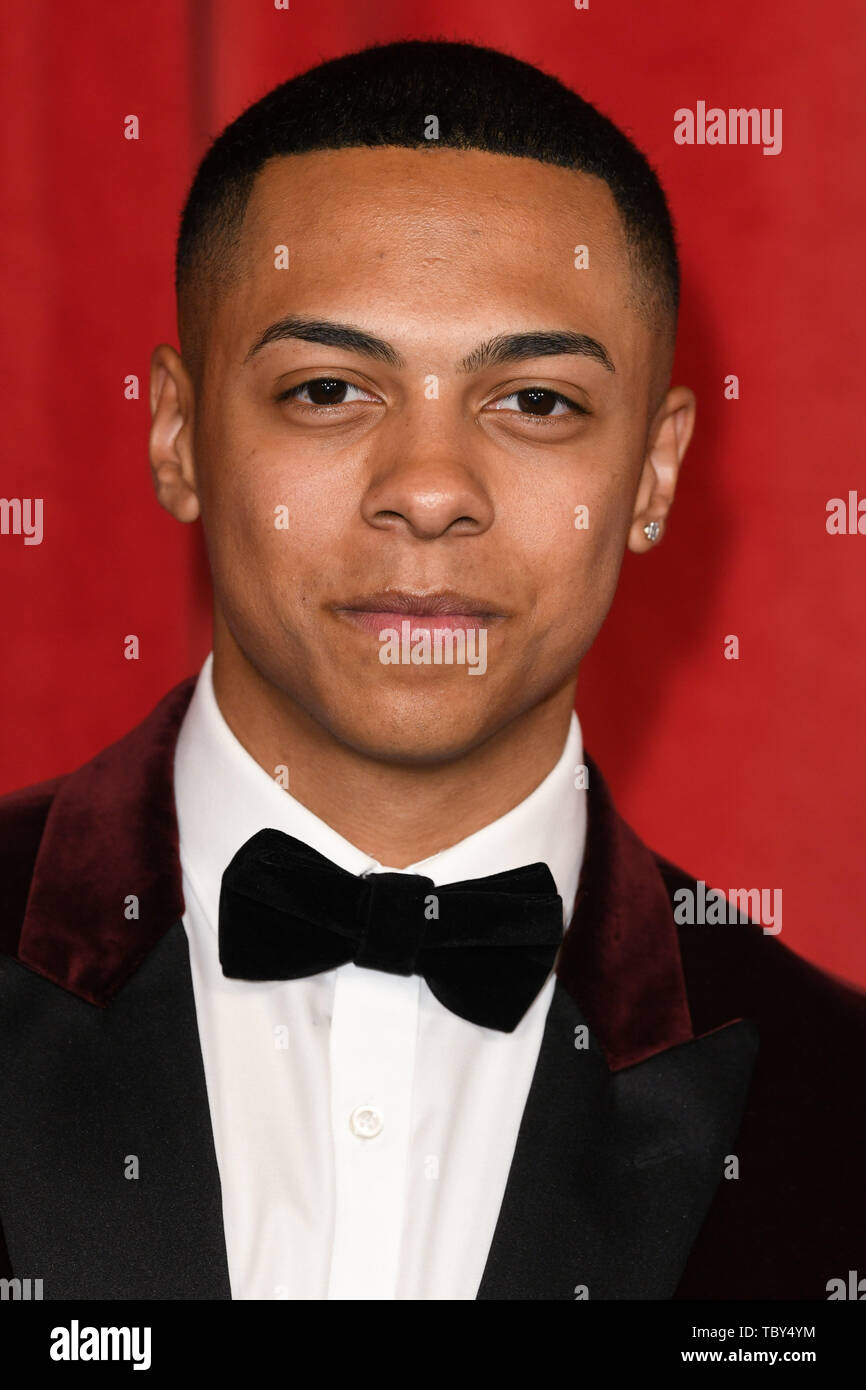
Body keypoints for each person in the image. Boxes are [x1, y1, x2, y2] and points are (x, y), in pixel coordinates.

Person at [0, 39, 863, 1302]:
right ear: (177, 436)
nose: (429, 491)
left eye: (536, 403)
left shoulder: (835, 1098)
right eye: (330, 388)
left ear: (656, 473)